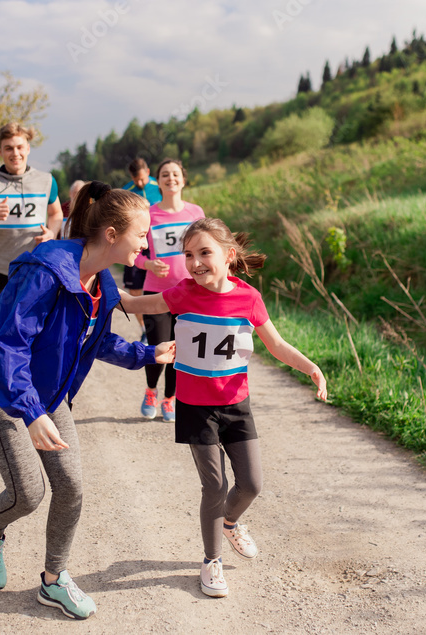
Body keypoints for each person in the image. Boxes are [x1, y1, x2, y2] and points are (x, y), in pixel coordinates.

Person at [0, 181, 175, 620]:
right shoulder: (46, 270)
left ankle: (53, 580)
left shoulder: (101, 280)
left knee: (72, 487)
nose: (146, 242)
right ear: (113, 234)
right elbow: (9, 345)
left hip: (45, 390)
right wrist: (32, 411)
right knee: (29, 493)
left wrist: (146, 354)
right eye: (142, 233)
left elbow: (95, 340)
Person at [120, 217, 328, 598]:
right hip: (195, 406)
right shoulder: (182, 293)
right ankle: (211, 560)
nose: (195, 262)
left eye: (204, 253)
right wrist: (96, 282)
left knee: (251, 484)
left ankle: (230, 523)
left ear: (229, 256)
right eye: (188, 255)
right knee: (214, 485)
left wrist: (311, 367)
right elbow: (134, 302)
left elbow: (277, 346)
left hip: (235, 405)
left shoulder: (248, 298)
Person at [133, 158, 205, 423]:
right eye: (165, 174)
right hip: (156, 294)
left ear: (183, 180)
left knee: (181, 351)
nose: (171, 178)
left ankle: (169, 398)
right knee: (157, 349)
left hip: (190, 294)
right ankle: (151, 390)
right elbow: (135, 253)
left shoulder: (196, 213)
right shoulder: (149, 214)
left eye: (175, 174)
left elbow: (206, 249)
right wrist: (148, 263)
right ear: (158, 181)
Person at [0, 122, 64, 305]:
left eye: (19, 147)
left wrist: (52, 232)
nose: (15, 153)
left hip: (39, 268)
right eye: (8, 148)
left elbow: (56, 214)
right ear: (0, 151)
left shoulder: (46, 180)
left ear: (28, 148)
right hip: (3, 272)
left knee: (38, 330)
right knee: (3, 331)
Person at [122, 158, 162, 341]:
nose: (139, 183)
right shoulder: (127, 191)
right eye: (135, 179)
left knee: (159, 285)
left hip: (158, 243)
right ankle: (145, 329)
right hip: (137, 244)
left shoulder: (159, 185)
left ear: (148, 171)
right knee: (136, 291)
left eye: (142, 178)